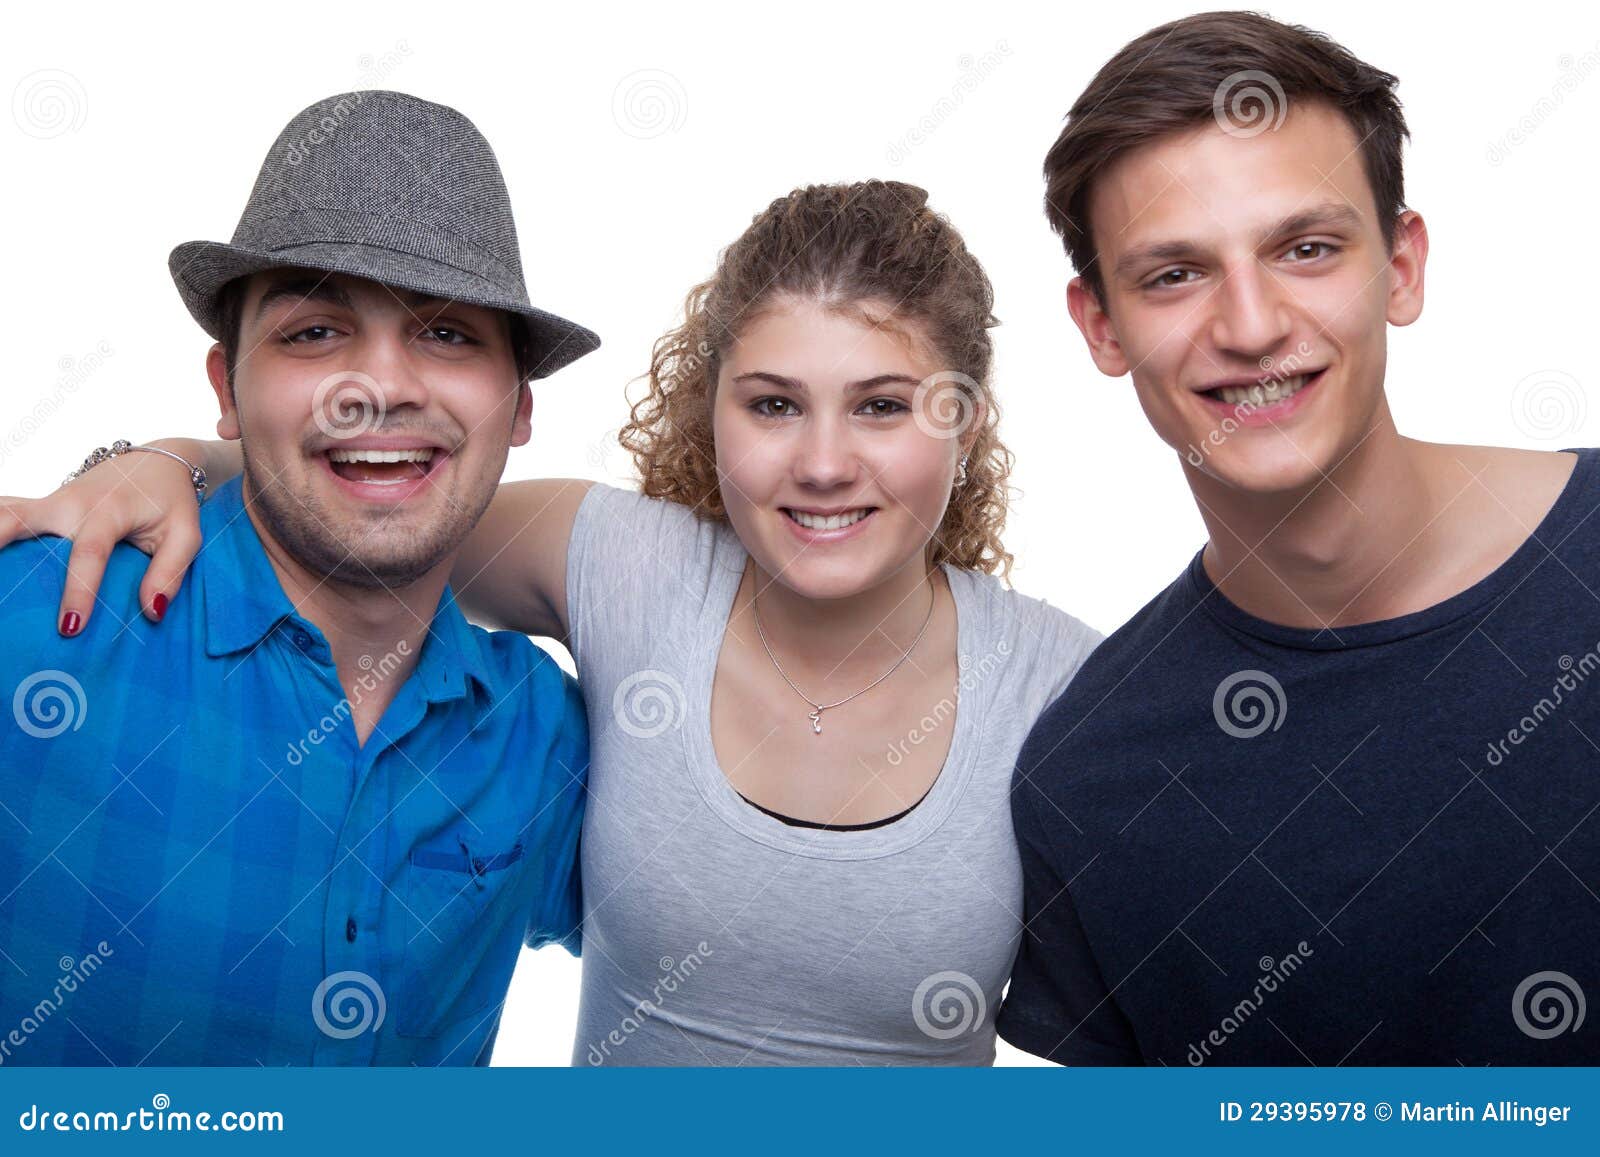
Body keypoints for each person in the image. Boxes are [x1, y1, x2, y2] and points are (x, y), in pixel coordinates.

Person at [3, 179, 1101, 1065]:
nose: (821, 462)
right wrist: (155, 461)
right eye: (772, 403)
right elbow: (371, 491)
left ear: (967, 416)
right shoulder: (620, 564)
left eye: (882, 403)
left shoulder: (1066, 686)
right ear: (707, 412)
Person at [996, 11, 1599, 1065]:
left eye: (1306, 248)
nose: (1251, 323)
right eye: (1174, 273)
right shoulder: (1087, 780)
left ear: (1400, 267)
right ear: (1099, 325)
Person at [0, 90, 593, 1065]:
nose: (379, 385)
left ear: (519, 408)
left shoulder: (546, 740)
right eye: (315, 331)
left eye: (446, 333)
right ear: (225, 389)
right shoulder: (32, 622)